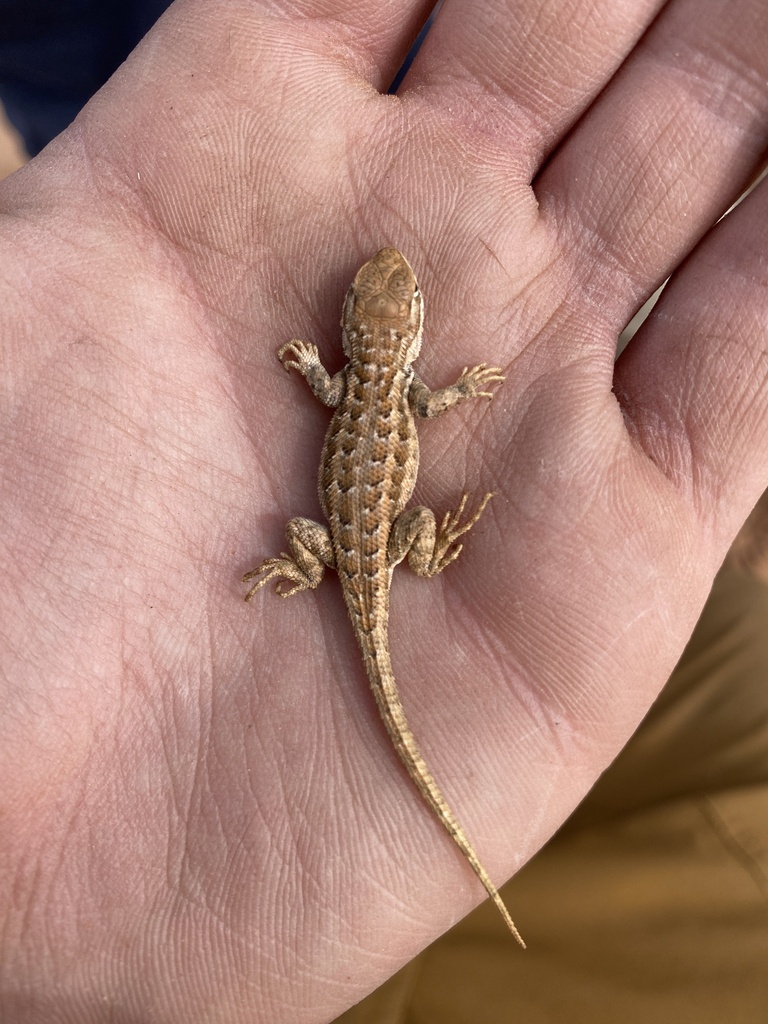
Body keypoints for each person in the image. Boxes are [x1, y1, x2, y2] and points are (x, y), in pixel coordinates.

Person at [1, 1, 767, 1021]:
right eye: (379, 304)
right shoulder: (395, 393)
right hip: (358, 550)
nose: (384, 302)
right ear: (383, 340)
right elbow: (413, 399)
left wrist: (345, 386)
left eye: (386, 306)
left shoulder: (375, 391)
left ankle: (331, 570)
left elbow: (370, 394)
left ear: (388, 341)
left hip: (344, 547)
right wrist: (420, 413)